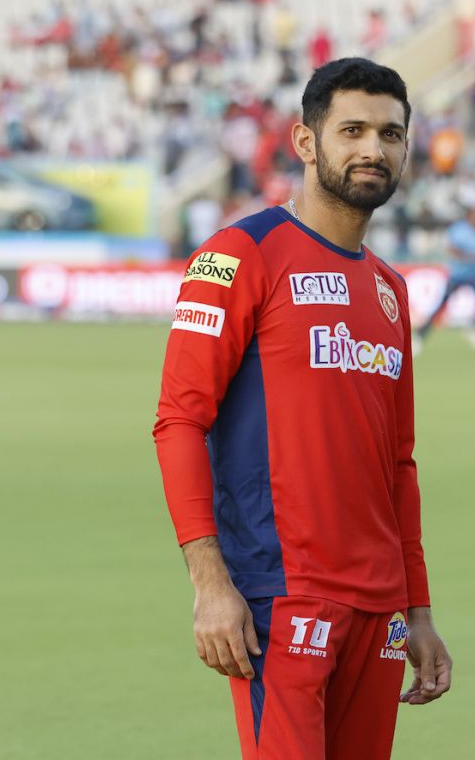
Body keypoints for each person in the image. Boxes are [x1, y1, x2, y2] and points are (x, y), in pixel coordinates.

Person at [153, 58, 451, 760]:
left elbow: (398, 462)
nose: (373, 149)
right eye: (352, 130)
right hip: (283, 596)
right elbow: (178, 422)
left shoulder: (390, 290)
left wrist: (420, 609)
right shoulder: (239, 255)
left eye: (390, 133)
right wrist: (210, 583)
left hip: (381, 609)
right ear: (306, 142)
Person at [416, 202, 475, 350]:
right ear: (469, 217)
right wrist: (471, 257)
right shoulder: (459, 229)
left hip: (473, 275)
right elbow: (452, 249)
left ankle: (473, 327)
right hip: (457, 275)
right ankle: (420, 335)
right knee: (441, 306)